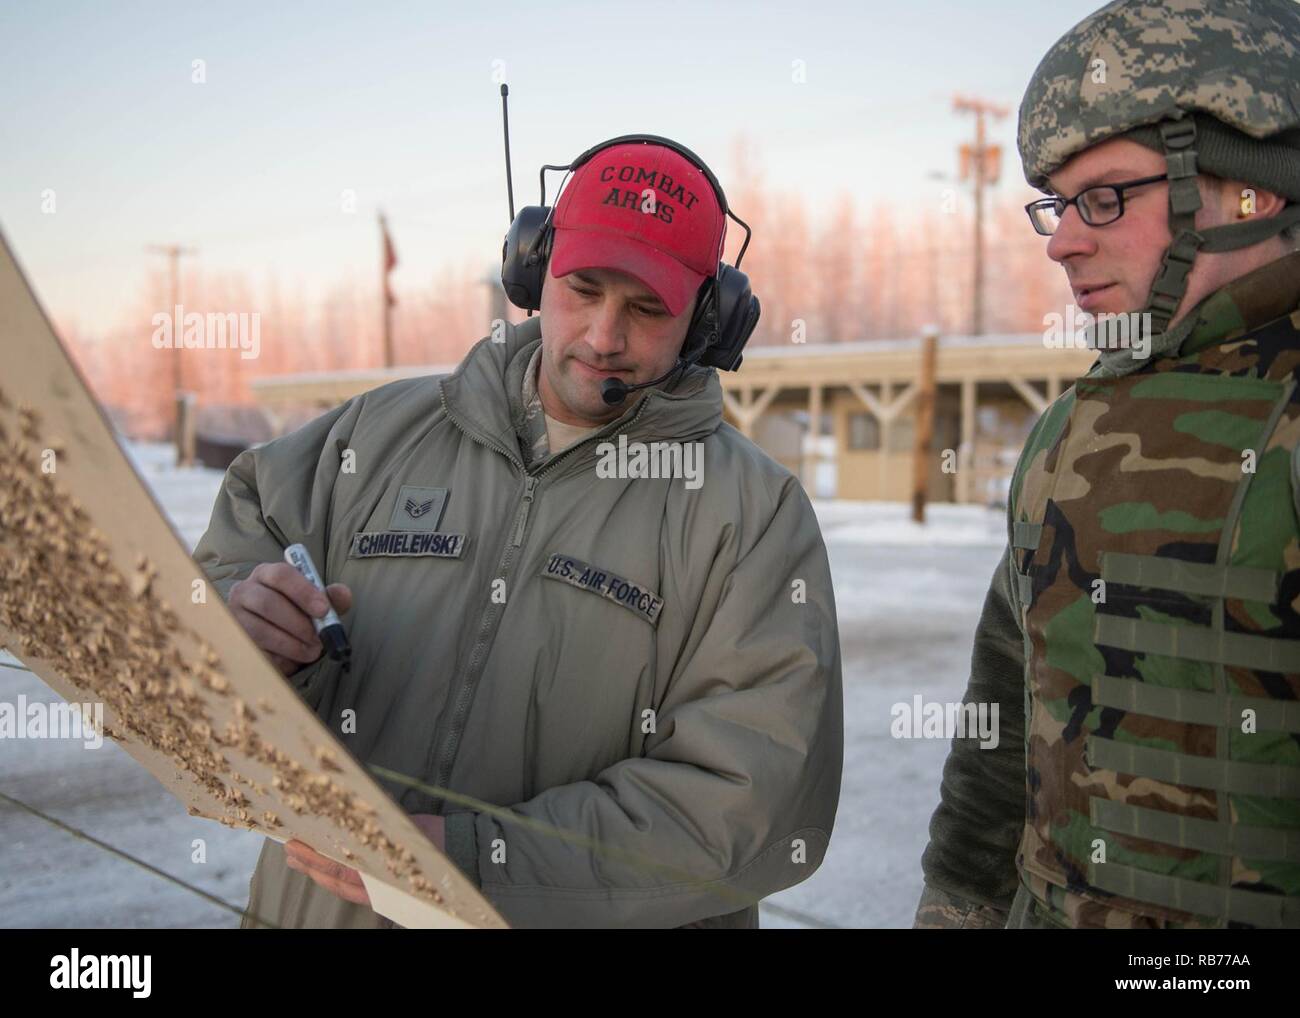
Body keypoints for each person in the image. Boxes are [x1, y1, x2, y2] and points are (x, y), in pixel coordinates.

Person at [195, 135, 844, 929]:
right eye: (583, 289)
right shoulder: (374, 432)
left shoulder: (752, 517)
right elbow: (231, 557)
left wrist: (473, 864)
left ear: (709, 320)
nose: (605, 336)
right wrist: (242, 620)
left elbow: (743, 802)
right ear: (533, 272)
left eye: (647, 308)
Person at [914, 0, 1300, 929]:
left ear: (1251, 187)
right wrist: (956, 906)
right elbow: (1004, 724)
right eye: (1055, 203)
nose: (1060, 240)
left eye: (1104, 198)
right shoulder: (1066, 434)